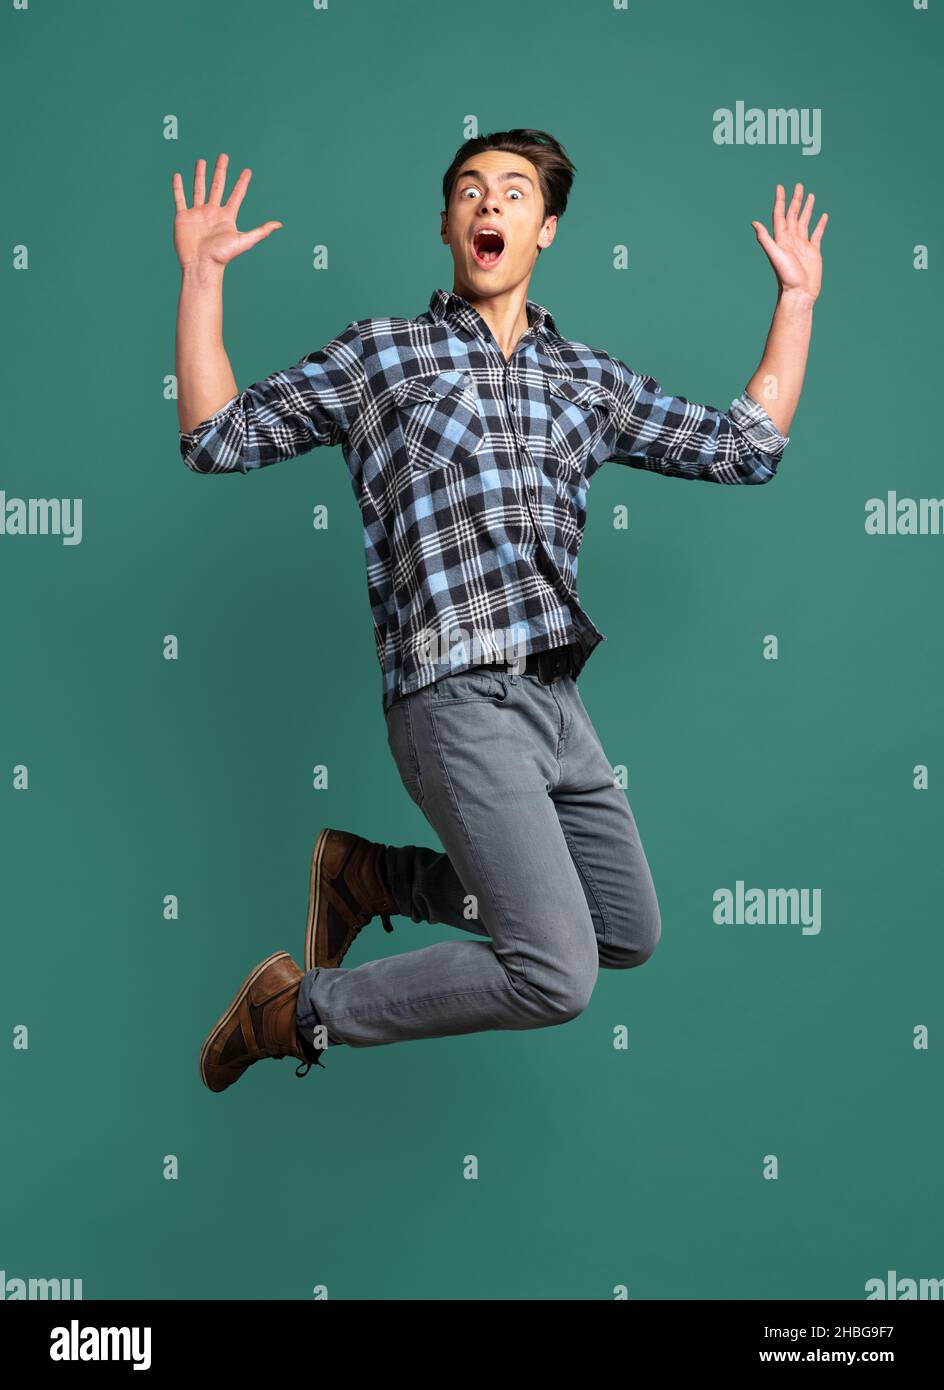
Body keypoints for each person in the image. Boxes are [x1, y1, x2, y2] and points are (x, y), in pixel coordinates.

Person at [173, 129, 827, 1093]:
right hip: (451, 698)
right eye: (470, 191)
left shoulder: (586, 380)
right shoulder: (383, 356)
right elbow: (215, 438)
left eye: (514, 193)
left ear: (546, 228)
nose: (490, 205)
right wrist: (201, 281)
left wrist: (798, 301)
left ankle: (379, 880)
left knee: (624, 931)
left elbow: (745, 447)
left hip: (557, 708)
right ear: (447, 223)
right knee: (556, 974)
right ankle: (296, 1009)